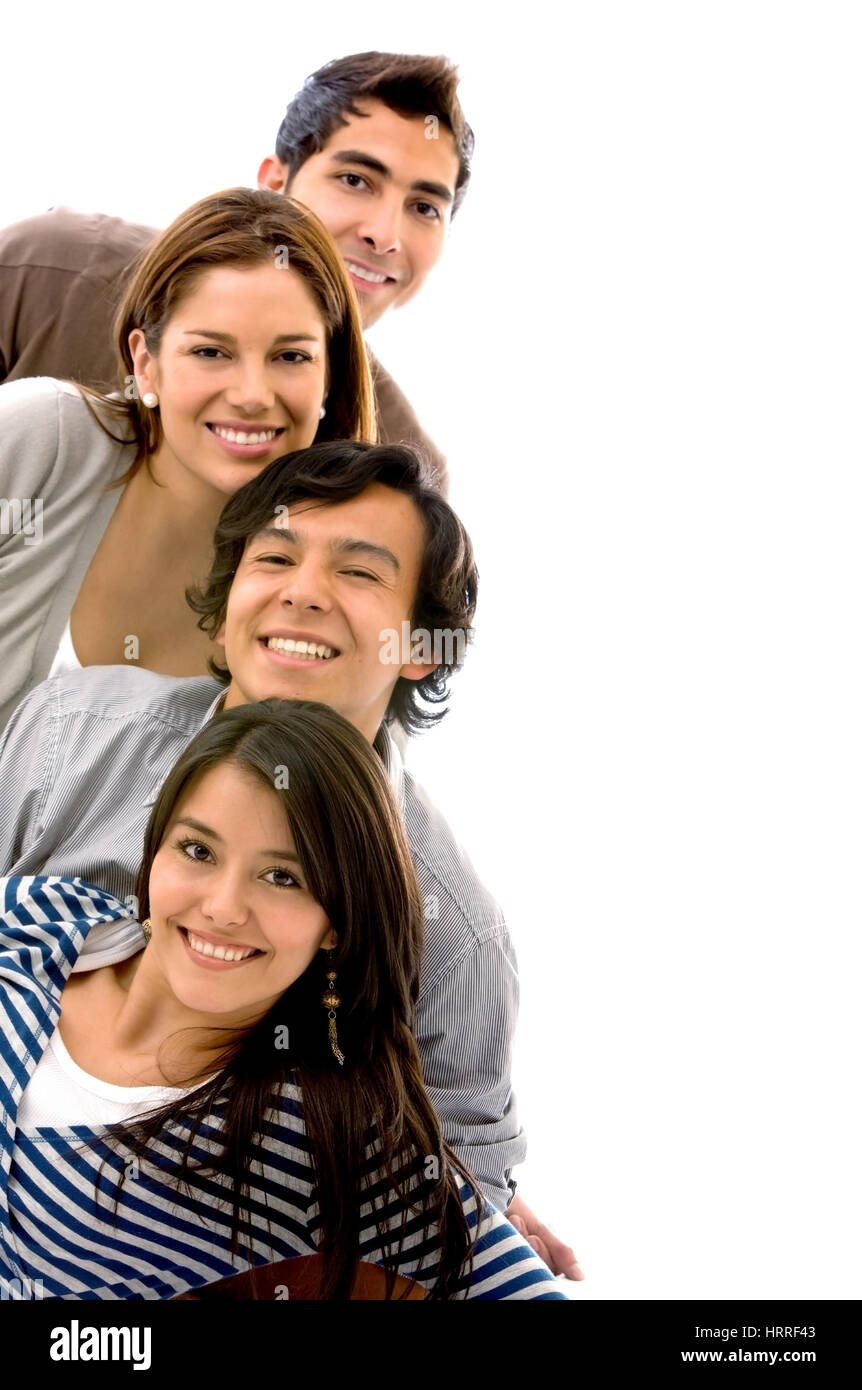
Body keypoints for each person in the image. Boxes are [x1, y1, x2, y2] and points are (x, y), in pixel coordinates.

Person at [0, 439, 583, 1279]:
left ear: (422, 645)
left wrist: (475, 1216)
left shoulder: (455, 932)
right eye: (272, 556)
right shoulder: (70, 729)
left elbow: (440, 1205)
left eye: (358, 573)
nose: (301, 592)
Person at [0, 699, 566, 1300]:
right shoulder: (46, 919)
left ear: (335, 925)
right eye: (198, 851)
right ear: (154, 848)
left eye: (282, 878)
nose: (221, 907)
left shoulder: (323, 1131)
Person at [0, 51, 470, 489]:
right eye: (354, 181)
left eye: (425, 208)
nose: (385, 235)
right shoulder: (51, 273)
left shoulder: (399, 474)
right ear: (275, 181)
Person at [0, 187, 374, 733]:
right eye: (210, 352)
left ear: (328, 379)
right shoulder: (41, 441)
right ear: (145, 363)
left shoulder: (322, 591)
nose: (252, 394)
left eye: (290, 356)